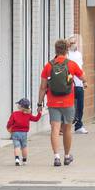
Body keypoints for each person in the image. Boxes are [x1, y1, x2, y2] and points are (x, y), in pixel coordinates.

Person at [37, 39, 84, 167]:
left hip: (53, 102)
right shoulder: (72, 64)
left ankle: (56, 157)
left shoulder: (48, 66)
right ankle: (67, 156)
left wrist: (39, 104)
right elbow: (82, 77)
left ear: (56, 50)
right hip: (68, 102)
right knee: (67, 129)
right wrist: (84, 83)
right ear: (66, 50)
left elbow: (42, 87)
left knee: (55, 129)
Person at [5, 98, 42, 165]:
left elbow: (10, 122)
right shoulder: (28, 115)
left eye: (18, 104)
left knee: (17, 146)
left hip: (15, 133)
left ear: (20, 106)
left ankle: (17, 159)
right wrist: (39, 113)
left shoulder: (14, 114)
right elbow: (36, 119)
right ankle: (24, 160)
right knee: (24, 147)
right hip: (24, 133)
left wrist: (8, 127)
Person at [67, 34, 87, 134]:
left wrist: (84, 81)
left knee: (80, 105)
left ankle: (79, 125)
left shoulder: (79, 54)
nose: (74, 44)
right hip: (69, 84)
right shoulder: (66, 55)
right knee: (68, 105)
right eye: (72, 42)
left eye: (75, 42)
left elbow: (80, 68)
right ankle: (64, 125)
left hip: (79, 83)